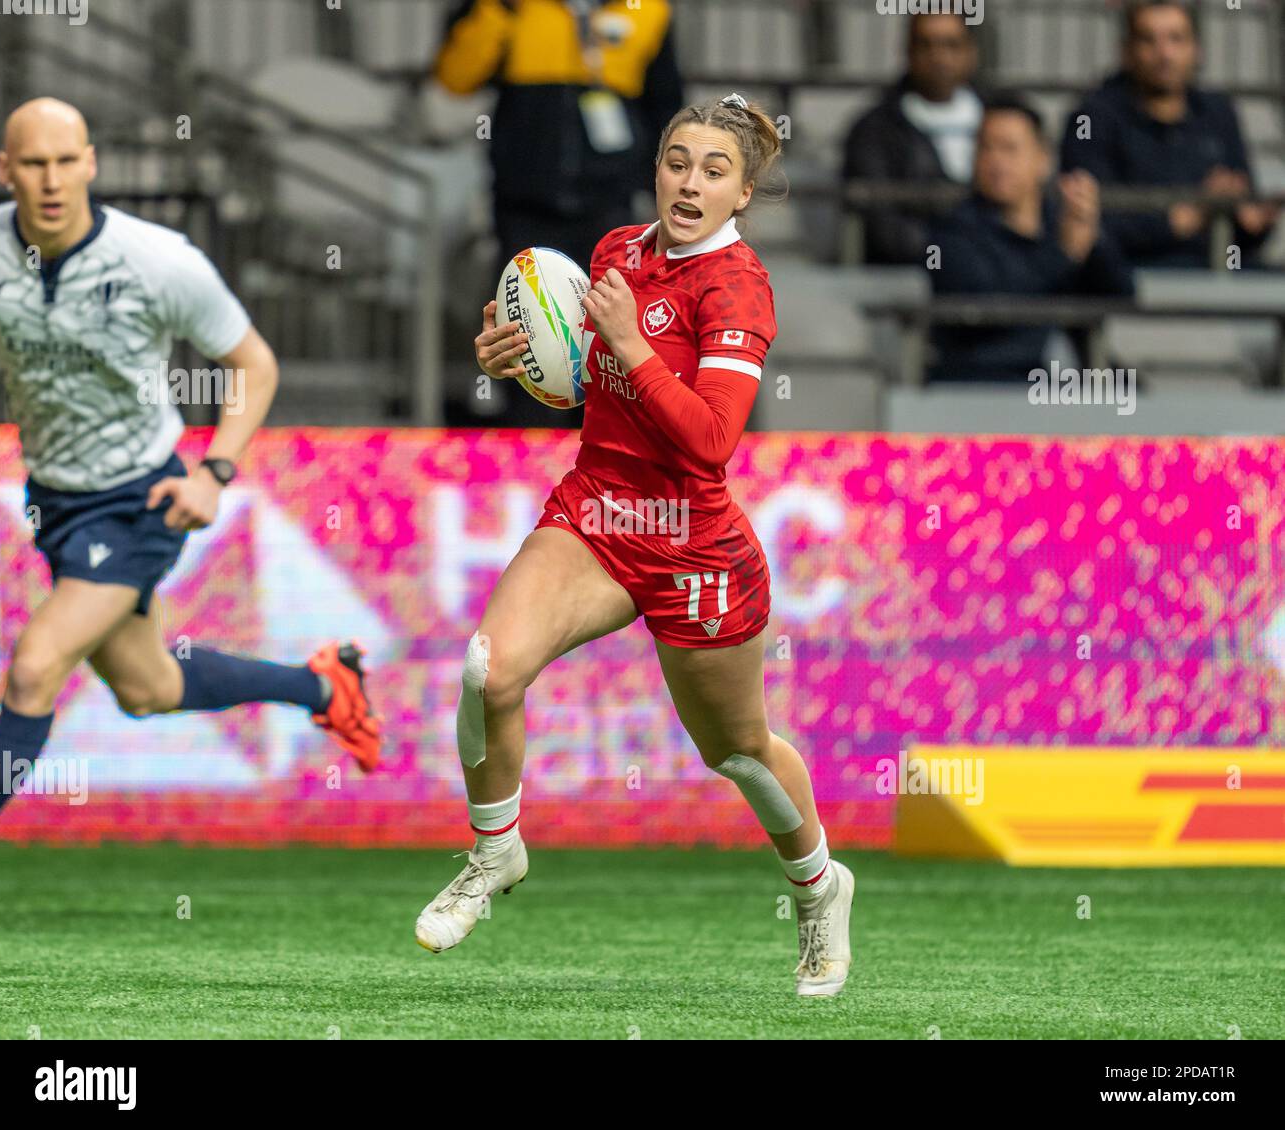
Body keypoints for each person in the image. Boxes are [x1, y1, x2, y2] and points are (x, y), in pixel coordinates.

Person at [414, 94, 855, 997]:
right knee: (487, 668)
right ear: (656, 167)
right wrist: (520, 360)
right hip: (598, 512)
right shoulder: (615, 254)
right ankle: (495, 852)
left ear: (742, 194)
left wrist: (627, 342)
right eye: (677, 161)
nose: (690, 182)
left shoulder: (737, 288)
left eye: (714, 170)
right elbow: (592, 383)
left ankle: (818, 889)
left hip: (693, 543)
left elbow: (709, 441)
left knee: (735, 752)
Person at [0, 99, 381, 833]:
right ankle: (324, 686)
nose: (51, 180)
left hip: (140, 497)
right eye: (33, 164)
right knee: (148, 686)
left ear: (91, 163)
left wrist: (215, 471)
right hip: (55, 500)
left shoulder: (158, 260)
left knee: (36, 666)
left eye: (66, 161)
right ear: (5, 170)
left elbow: (254, 366)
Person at [434, 0, 683, 427]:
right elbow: (456, 77)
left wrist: (667, 199)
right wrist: (497, 12)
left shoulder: (649, 9)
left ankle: (605, 456)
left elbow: (665, 105)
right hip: (527, 206)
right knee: (528, 334)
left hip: (610, 209)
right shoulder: (508, 7)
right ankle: (532, 454)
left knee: (608, 338)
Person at [929, 97, 1135, 382]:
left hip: (1074, 384)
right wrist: (1063, 256)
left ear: (1044, 160)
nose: (996, 161)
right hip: (985, 385)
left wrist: (1093, 238)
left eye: (1010, 149)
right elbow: (980, 308)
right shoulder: (948, 234)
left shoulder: (1063, 221)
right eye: (986, 148)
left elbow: (1122, 293)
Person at [1060, 0, 1277, 269]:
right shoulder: (1091, 117)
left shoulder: (1219, 112)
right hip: (1124, 279)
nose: (1165, 54)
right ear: (1126, 51)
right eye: (1149, 40)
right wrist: (1181, 219)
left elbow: (1243, 231)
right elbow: (1090, 223)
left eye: (1176, 39)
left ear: (1197, 49)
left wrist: (1253, 220)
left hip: (1215, 270)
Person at [841, 12, 984, 265]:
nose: (939, 57)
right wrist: (956, 258)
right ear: (908, 52)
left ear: (970, 52)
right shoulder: (874, 130)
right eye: (926, 44)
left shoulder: (1000, 119)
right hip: (910, 278)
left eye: (951, 44)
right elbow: (883, 226)